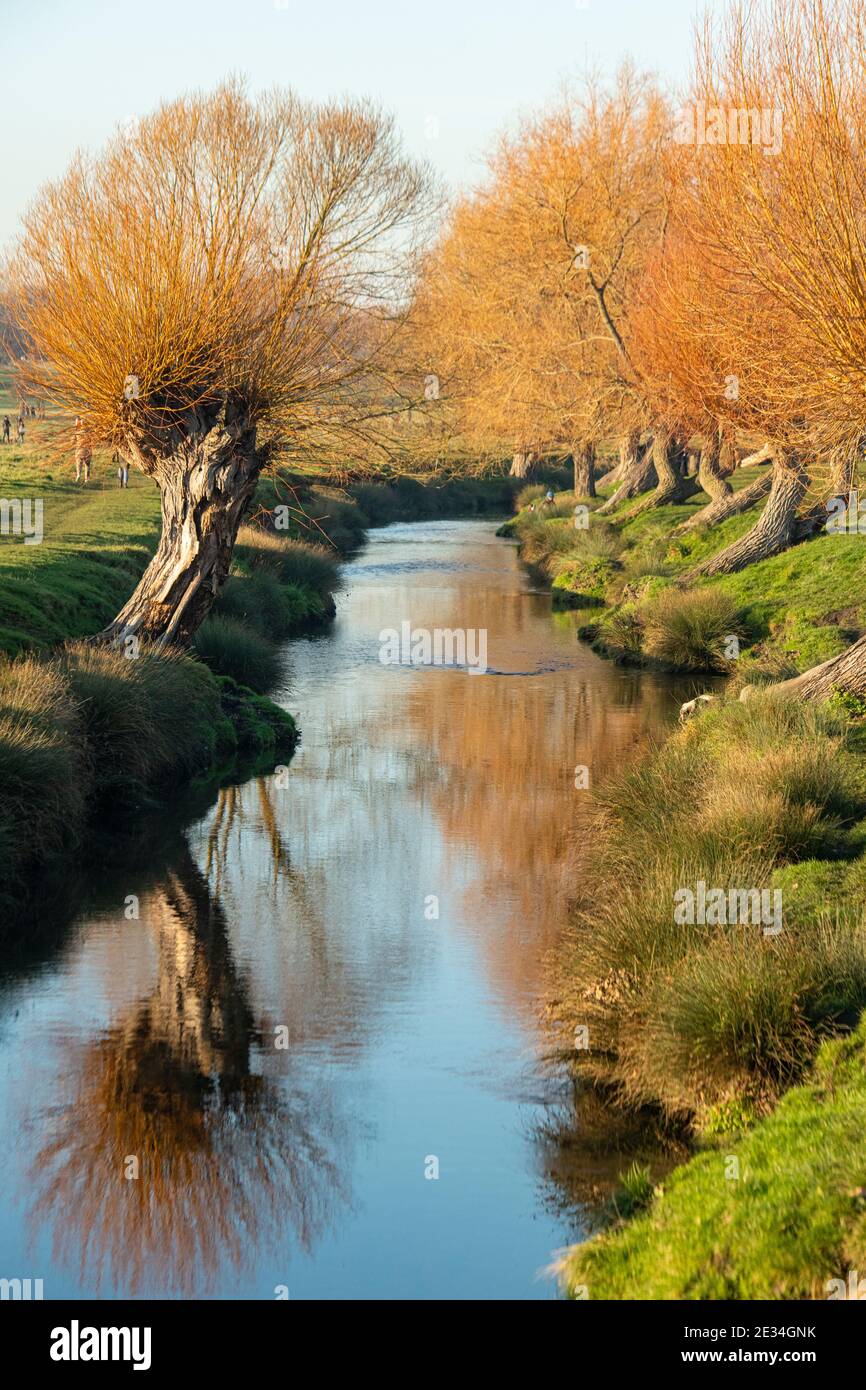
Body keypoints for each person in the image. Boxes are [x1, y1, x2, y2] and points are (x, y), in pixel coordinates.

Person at [74, 417, 92, 484]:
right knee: (87, 465)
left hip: (79, 450)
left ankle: (78, 475)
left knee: (79, 463)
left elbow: (73, 440)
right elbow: (91, 440)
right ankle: (86, 479)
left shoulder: (78, 432)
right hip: (87, 450)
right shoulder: (89, 431)